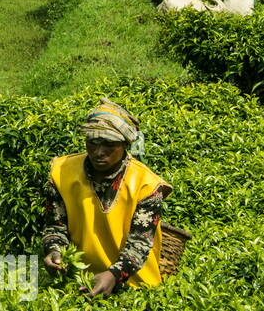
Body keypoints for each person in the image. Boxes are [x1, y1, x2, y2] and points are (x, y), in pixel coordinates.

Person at [42, 99, 172, 296]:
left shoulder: (146, 185)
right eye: (92, 142)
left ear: (125, 145)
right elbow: (55, 226)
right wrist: (54, 250)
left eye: (109, 144)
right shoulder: (62, 172)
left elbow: (140, 244)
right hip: (79, 281)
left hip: (135, 286)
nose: (98, 152)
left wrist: (114, 274)